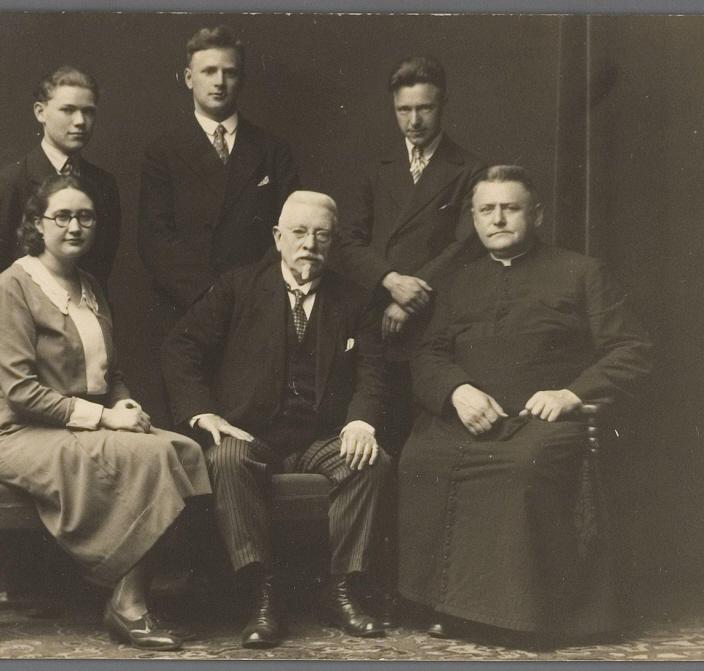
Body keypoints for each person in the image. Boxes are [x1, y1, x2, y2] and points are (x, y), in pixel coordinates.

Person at [397, 165, 654, 644]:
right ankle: (440, 605)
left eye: (510, 208)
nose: (498, 219)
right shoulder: (459, 280)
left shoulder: (581, 271)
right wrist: (456, 391)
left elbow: (631, 349)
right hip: (469, 416)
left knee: (519, 466)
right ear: (473, 219)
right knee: (420, 458)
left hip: (544, 419)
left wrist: (570, 393)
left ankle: (510, 616)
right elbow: (429, 353)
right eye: (486, 210)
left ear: (535, 215)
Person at [0, 174, 210, 651]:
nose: (75, 226)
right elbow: (20, 392)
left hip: (75, 423)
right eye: (62, 216)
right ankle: (130, 607)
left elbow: (110, 370)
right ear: (37, 225)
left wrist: (122, 401)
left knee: (182, 450)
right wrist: (105, 418)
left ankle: (129, 593)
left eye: (85, 216)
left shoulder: (91, 286)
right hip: (15, 432)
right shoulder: (12, 286)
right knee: (148, 457)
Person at [162, 191, 391, 648]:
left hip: (319, 437)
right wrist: (202, 412)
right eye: (300, 233)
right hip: (252, 433)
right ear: (278, 237)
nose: (310, 244)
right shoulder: (238, 286)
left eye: (322, 235)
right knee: (226, 458)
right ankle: (260, 593)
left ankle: (341, 588)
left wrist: (361, 420)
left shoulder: (356, 300)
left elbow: (374, 370)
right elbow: (180, 346)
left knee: (372, 460)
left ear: (334, 242)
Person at [335, 55, 485, 454]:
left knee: (423, 442)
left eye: (425, 108)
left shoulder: (468, 169)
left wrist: (411, 298)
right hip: (375, 315)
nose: (414, 120)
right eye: (404, 110)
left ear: (443, 104)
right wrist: (390, 281)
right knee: (374, 432)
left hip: (432, 318)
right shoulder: (376, 168)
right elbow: (347, 241)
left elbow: (467, 246)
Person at [138, 24, 299, 329]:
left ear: (242, 79)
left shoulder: (272, 150)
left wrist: (250, 293)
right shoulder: (163, 152)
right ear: (188, 78)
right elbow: (154, 239)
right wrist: (209, 295)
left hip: (256, 308)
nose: (219, 82)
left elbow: (291, 230)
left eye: (230, 72)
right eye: (209, 71)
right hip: (185, 309)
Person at [0, 66, 121, 332]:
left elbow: (99, 273)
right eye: (68, 110)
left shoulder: (103, 185)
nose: (80, 121)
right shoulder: (11, 183)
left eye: (88, 111)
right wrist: (12, 341)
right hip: (28, 344)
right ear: (40, 112)